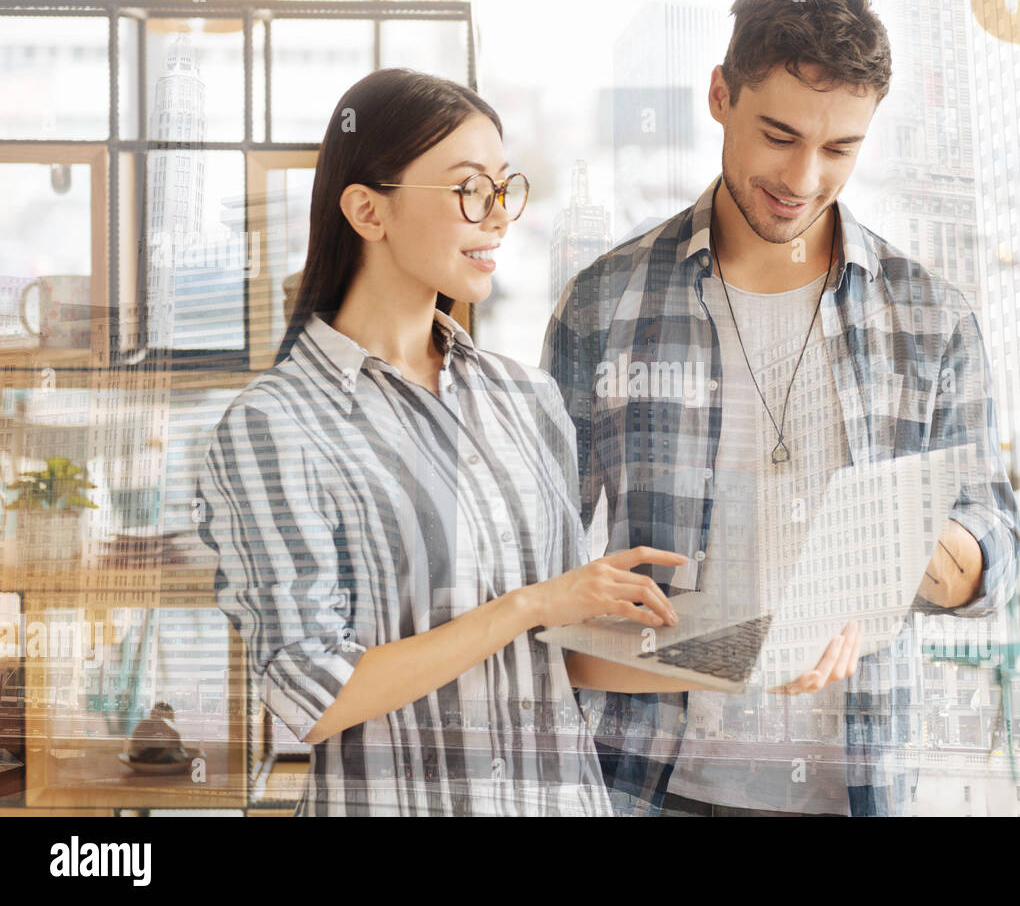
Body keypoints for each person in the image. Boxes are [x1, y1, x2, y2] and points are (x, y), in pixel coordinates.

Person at [542, 0, 1020, 816]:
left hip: (857, 784)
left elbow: (996, 548)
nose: (803, 176)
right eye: (779, 134)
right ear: (720, 96)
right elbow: (536, 561)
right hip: (645, 778)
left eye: (839, 149)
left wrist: (905, 549)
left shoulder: (931, 317)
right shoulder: (603, 305)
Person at [195, 68, 685, 816]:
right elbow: (316, 696)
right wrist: (525, 604)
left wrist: (734, 658)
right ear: (367, 209)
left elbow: (559, 644)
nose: (497, 218)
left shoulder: (524, 397)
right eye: (468, 190)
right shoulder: (274, 426)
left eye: (502, 189)